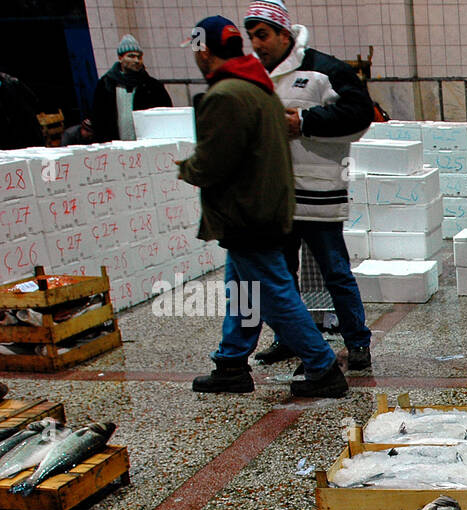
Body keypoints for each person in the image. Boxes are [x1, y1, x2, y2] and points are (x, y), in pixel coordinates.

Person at [177, 15, 347, 398]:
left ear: (203, 50)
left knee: (273, 293)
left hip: (246, 213)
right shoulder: (259, 87)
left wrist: (186, 168)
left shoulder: (226, 95)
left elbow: (213, 163)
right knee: (243, 290)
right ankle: (232, 363)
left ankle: (322, 368)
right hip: (265, 207)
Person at [242, 0, 375, 374]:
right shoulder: (255, 76)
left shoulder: (324, 69)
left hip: (318, 195)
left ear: (285, 33)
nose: (257, 43)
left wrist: (304, 121)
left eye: (264, 35)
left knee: (335, 271)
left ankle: (358, 341)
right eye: (251, 36)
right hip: (276, 200)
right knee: (282, 277)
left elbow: (360, 114)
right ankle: (290, 339)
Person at [90, 35, 172, 142]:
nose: (136, 60)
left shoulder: (152, 86)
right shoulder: (106, 85)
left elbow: (166, 115)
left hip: (147, 145)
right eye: (131, 56)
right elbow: (98, 119)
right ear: (120, 58)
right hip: (115, 146)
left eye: (139, 57)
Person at [0, 70, 42, 149]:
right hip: (24, 130)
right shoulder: (13, 80)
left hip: (23, 129)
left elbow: (33, 99)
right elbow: (34, 99)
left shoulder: (12, 82)